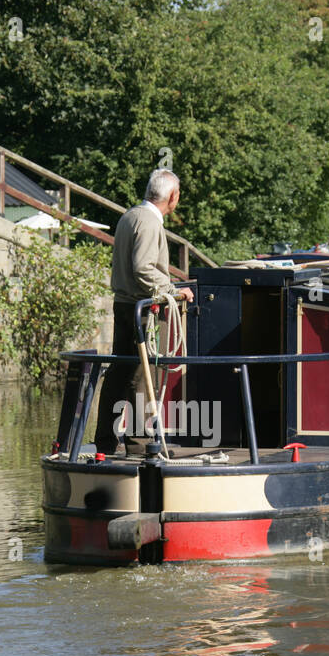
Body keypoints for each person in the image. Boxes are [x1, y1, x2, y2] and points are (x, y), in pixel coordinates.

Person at [94, 169, 195, 454]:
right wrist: (174, 292)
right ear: (172, 197)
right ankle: (138, 446)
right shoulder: (150, 222)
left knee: (119, 372)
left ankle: (105, 441)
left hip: (124, 304)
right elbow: (143, 269)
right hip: (143, 310)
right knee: (143, 375)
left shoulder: (129, 216)